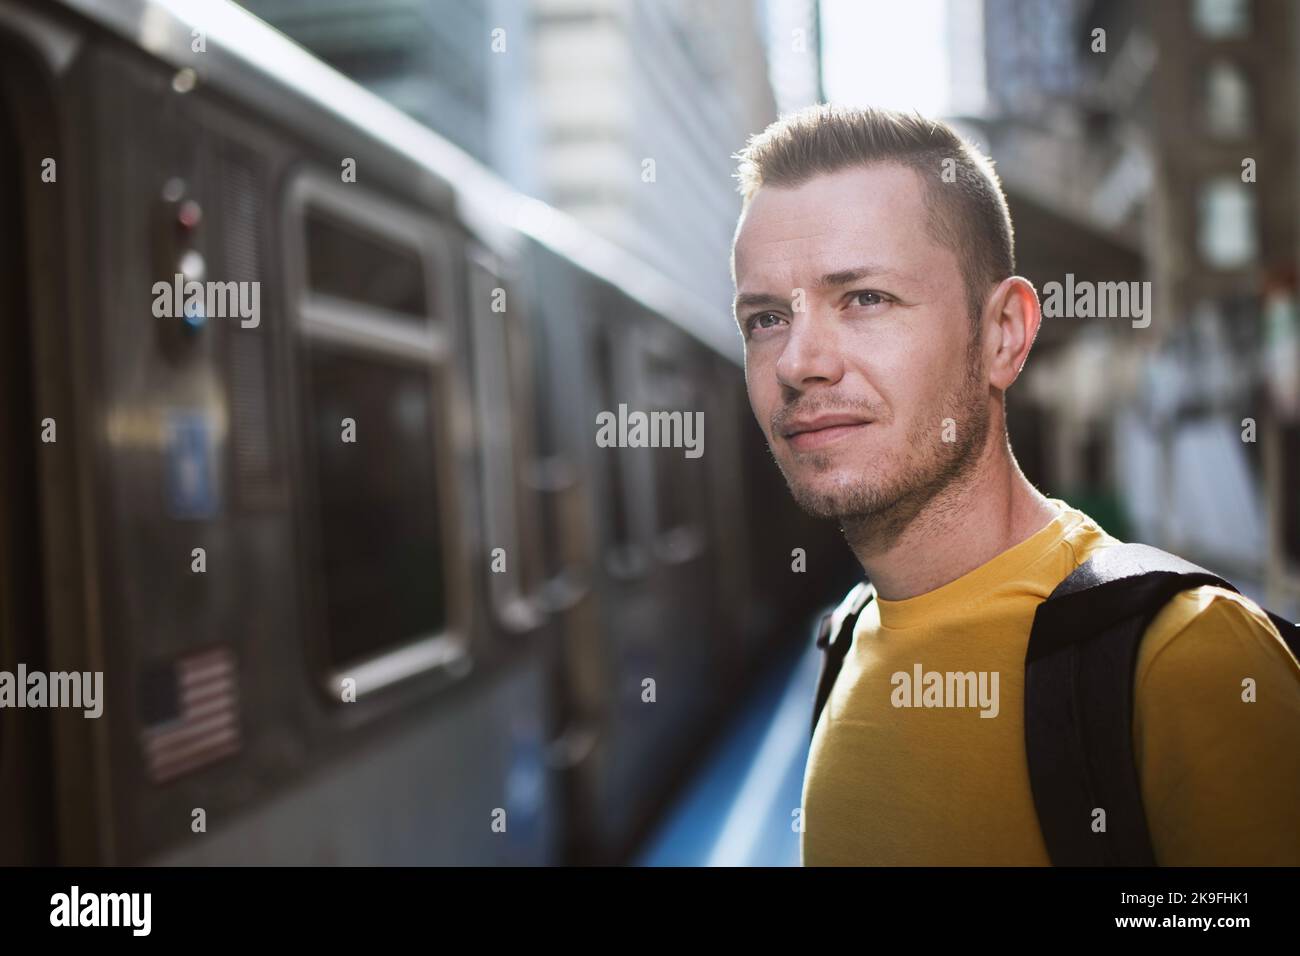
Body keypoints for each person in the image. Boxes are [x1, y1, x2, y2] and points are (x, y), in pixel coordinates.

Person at [729, 103, 1300, 866]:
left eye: (865, 298)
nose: (800, 362)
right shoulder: (846, 642)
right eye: (766, 318)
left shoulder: (1184, 656)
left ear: (1004, 335)